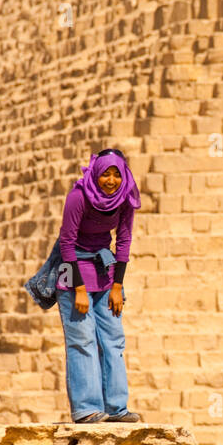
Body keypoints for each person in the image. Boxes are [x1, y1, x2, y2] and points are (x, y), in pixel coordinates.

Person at [54, 147, 141, 423]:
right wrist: (78, 290)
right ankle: (87, 409)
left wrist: (118, 286)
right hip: (74, 272)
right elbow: (66, 243)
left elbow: (124, 241)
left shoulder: (126, 197)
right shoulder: (78, 196)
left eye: (117, 174)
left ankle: (116, 408)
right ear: (96, 173)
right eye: (106, 174)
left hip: (105, 273)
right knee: (83, 341)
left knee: (113, 339)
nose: (112, 180)